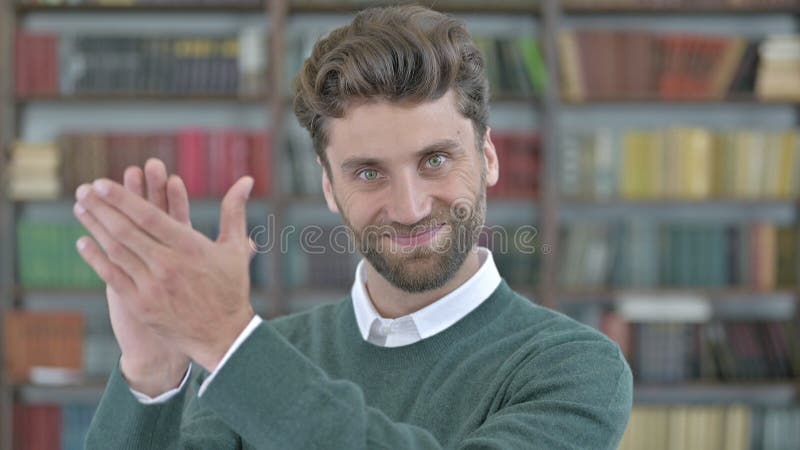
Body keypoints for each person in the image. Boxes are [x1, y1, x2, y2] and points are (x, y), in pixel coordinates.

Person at [76, 5, 631, 449]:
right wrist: (151, 375)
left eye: (436, 160)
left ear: (487, 157)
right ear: (328, 187)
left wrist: (229, 344)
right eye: (369, 173)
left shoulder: (573, 367)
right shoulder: (263, 356)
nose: (409, 208)